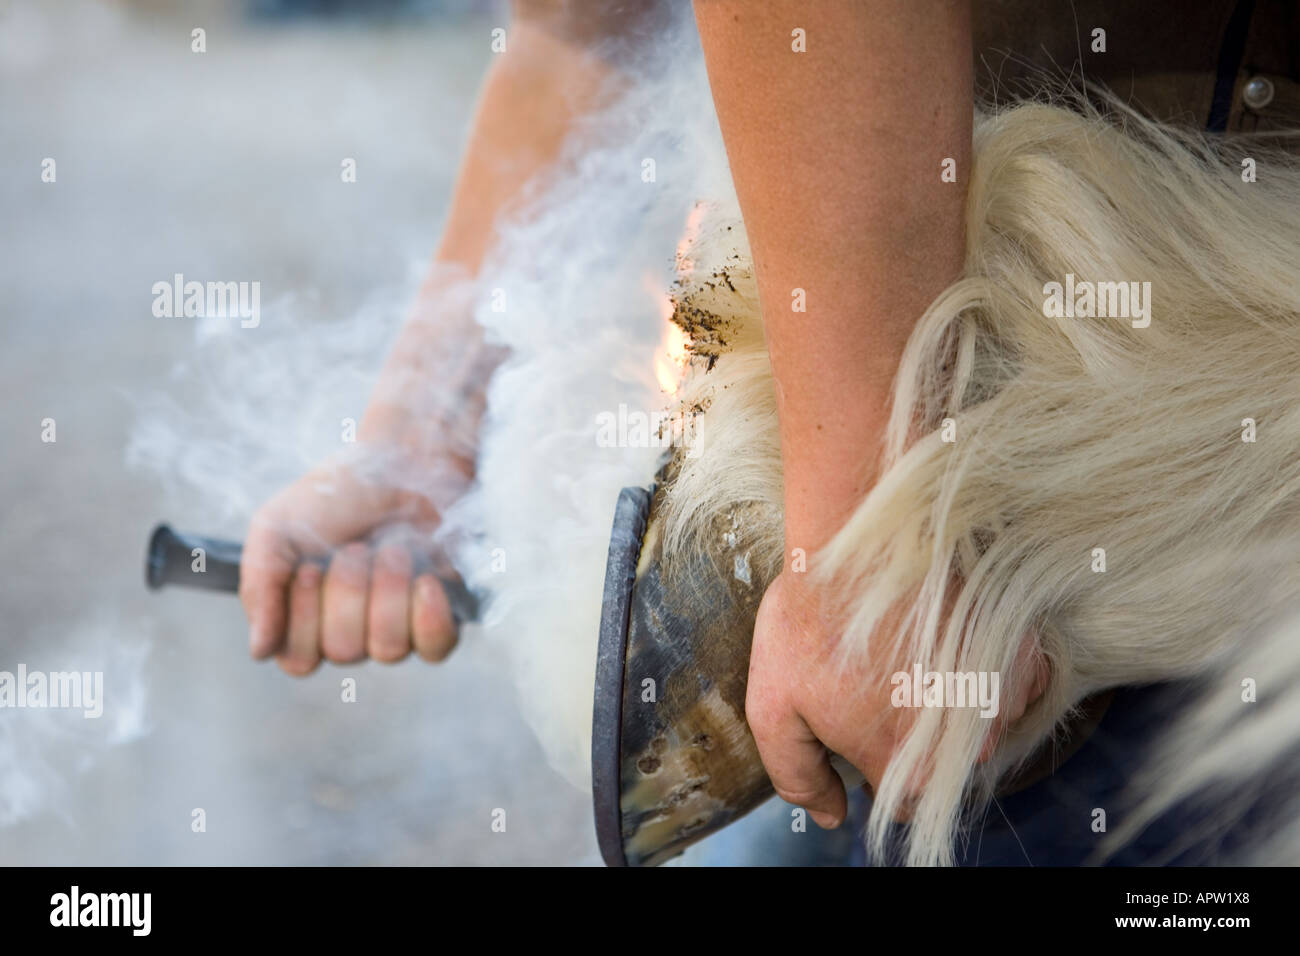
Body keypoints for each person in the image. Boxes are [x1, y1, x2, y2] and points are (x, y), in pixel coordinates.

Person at [240, 1, 1300, 865]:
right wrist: (418, 436)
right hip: (982, 534)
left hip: (1091, 498)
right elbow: (583, 24)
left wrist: (864, 548)